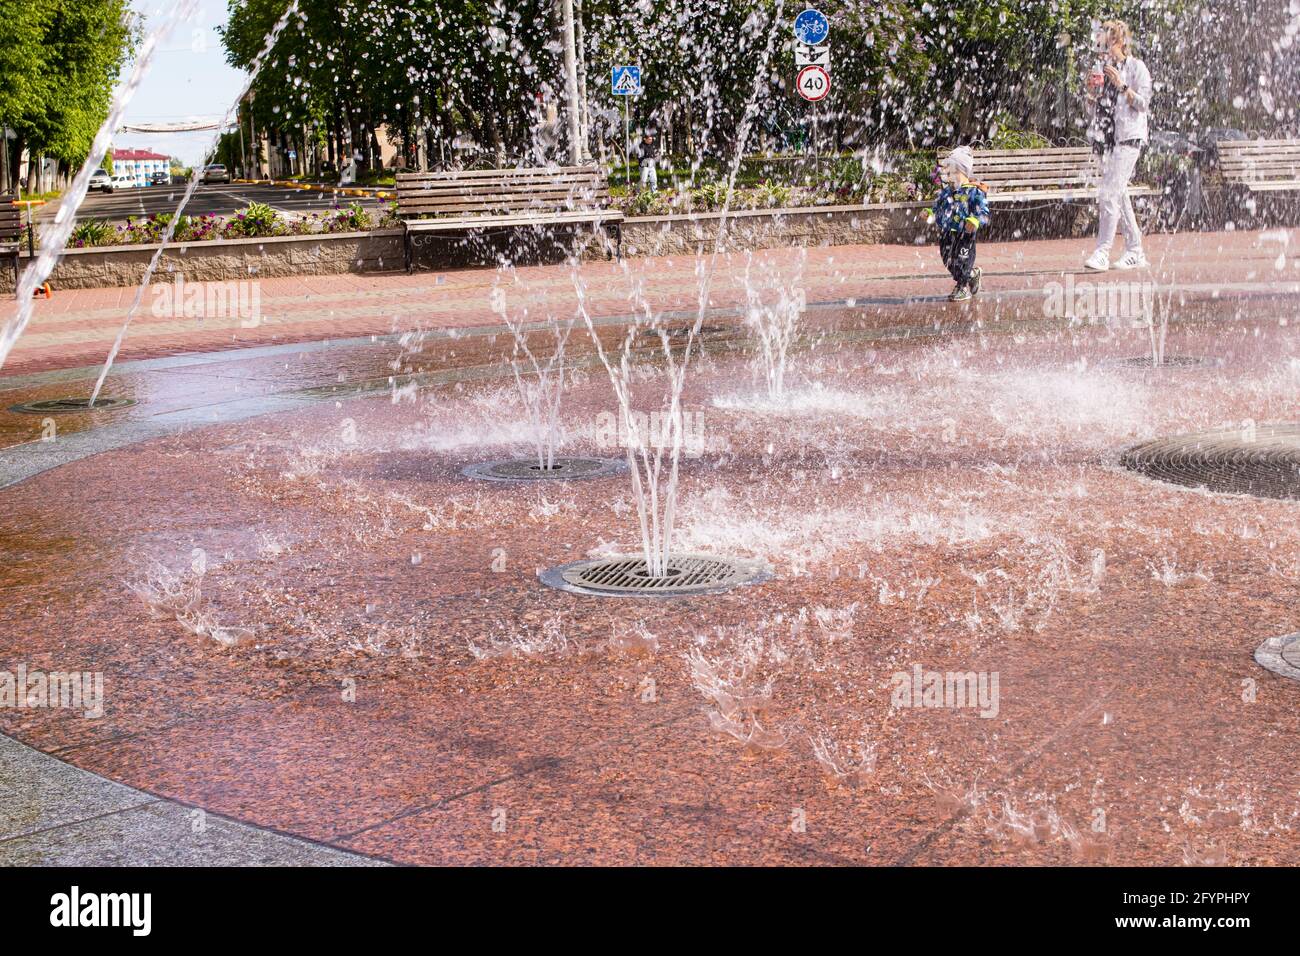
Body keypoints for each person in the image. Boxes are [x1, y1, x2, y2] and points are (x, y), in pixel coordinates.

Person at [1083, 19, 1152, 272]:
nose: (1105, 47)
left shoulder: (1136, 68)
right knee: (1120, 195)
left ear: (1121, 42)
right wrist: (1091, 93)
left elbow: (1144, 103)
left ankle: (1102, 252)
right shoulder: (1102, 68)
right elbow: (1093, 109)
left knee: (1109, 194)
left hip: (1129, 139)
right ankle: (1135, 250)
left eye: (1109, 41)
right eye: (1102, 42)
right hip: (1108, 141)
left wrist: (1122, 85)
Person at [928, 146, 990, 302]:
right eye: (948, 172)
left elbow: (982, 211)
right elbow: (937, 207)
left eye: (952, 172)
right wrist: (929, 213)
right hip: (947, 232)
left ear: (962, 171)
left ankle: (961, 287)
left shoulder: (974, 191)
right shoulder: (947, 192)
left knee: (962, 260)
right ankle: (972, 275)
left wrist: (975, 220)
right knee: (948, 259)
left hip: (965, 234)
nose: (949, 176)